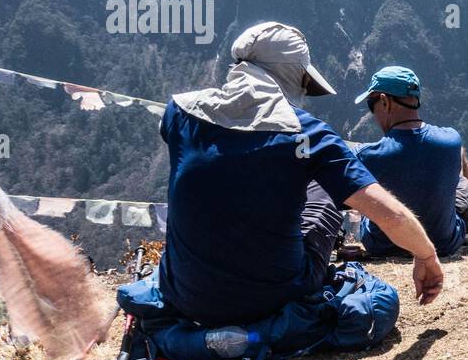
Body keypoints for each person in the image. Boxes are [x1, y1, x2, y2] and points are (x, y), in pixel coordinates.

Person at [157, 23, 444, 328]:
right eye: (305, 84)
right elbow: (390, 215)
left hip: (186, 295)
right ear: (292, 77)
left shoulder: (179, 112)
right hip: (272, 296)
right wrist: (426, 255)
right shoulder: (309, 135)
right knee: (325, 184)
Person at [351, 66, 468, 258]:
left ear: (384, 101)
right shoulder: (452, 140)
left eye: (370, 104)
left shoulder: (366, 155)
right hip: (443, 243)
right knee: (461, 178)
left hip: (382, 245)